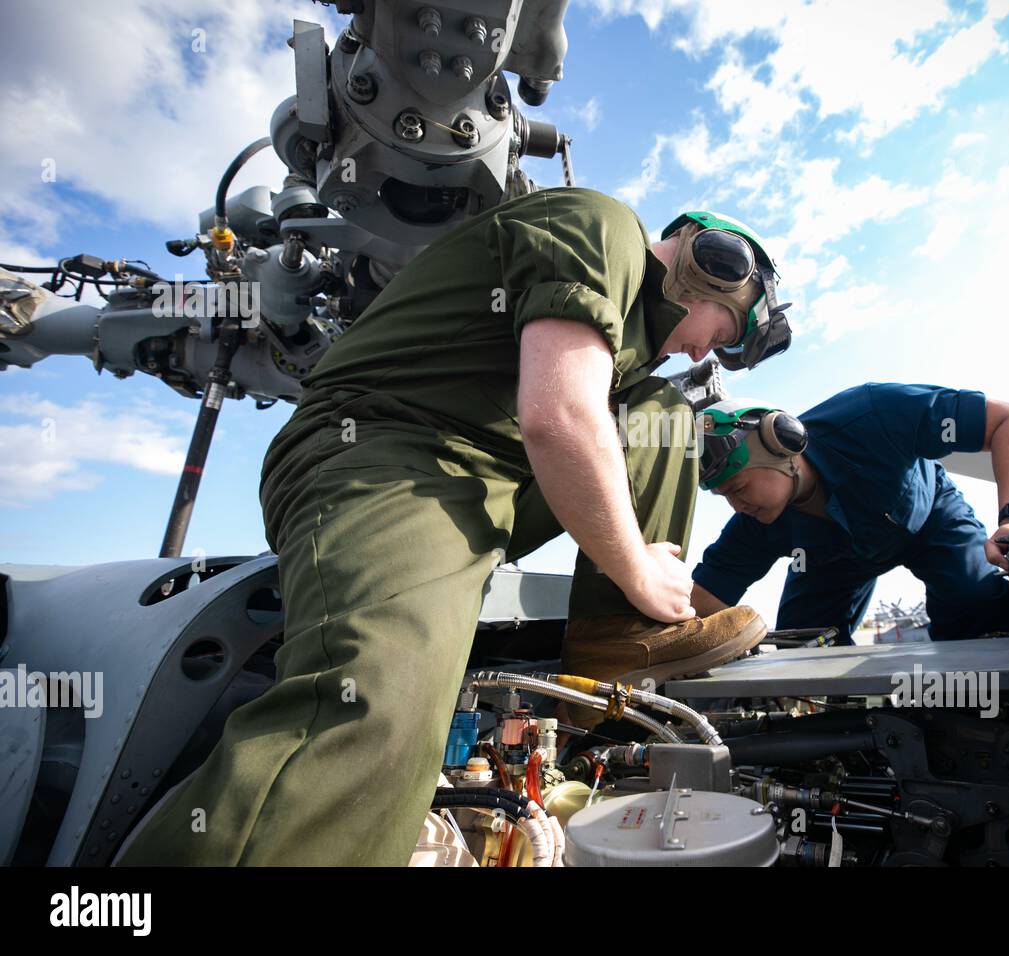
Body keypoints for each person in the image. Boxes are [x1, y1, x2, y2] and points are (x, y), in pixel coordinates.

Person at [117, 191, 791, 865]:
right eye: (724, 332)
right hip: (384, 454)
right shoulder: (605, 226)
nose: (703, 348)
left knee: (661, 413)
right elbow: (559, 417)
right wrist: (641, 569)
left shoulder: (638, 358)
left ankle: (614, 635)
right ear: (715, 266)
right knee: (381, 699)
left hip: (490, 486)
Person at [690, 384, 1009, 644]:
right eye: (724, 497)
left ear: (781, 444)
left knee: (975, 604)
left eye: (738, 488)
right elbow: (704, 600)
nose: (737, 505)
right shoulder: (755, 521)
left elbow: (1005, 421)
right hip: (831, 562)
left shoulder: (873, 415)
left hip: (931, 518)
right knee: (803, 647)